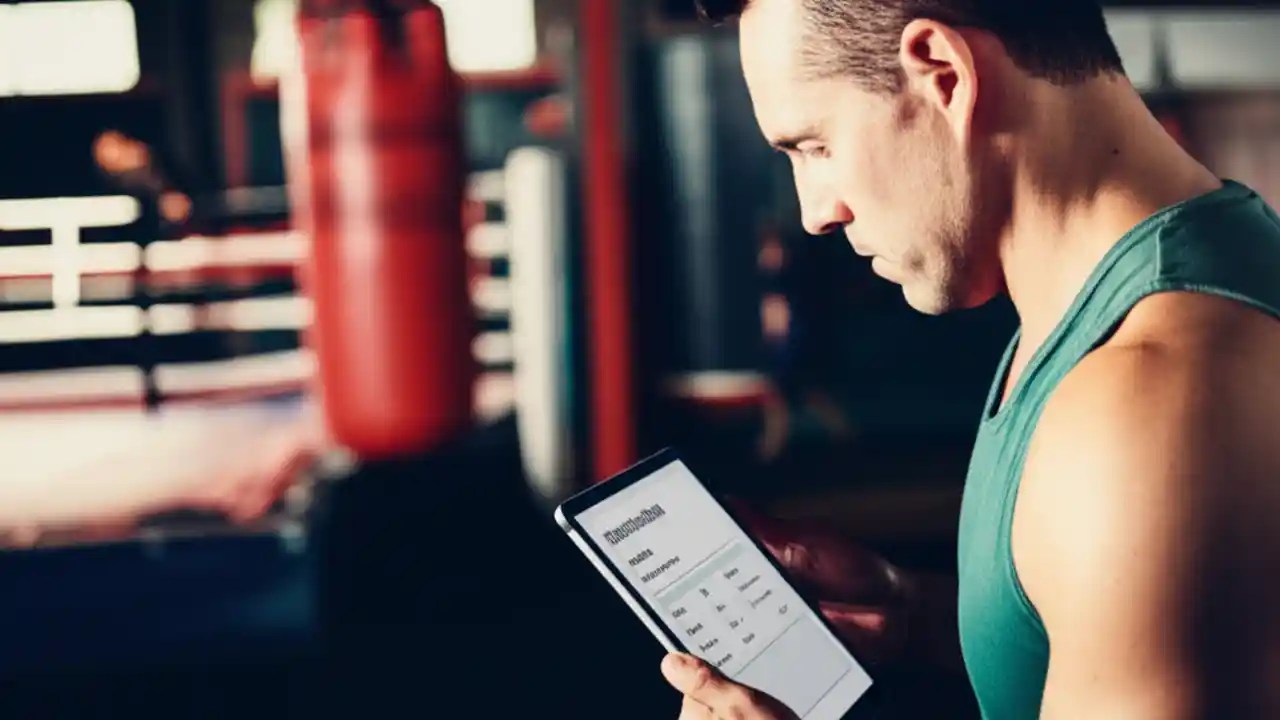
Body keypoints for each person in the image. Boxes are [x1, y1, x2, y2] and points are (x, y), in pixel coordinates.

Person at [658, 0, 1280, 718]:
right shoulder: (1148, 287)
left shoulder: (1147, 402)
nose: (815, 211)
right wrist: (917, 615)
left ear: (944, 76)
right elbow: (1132, 638)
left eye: (816, 146)